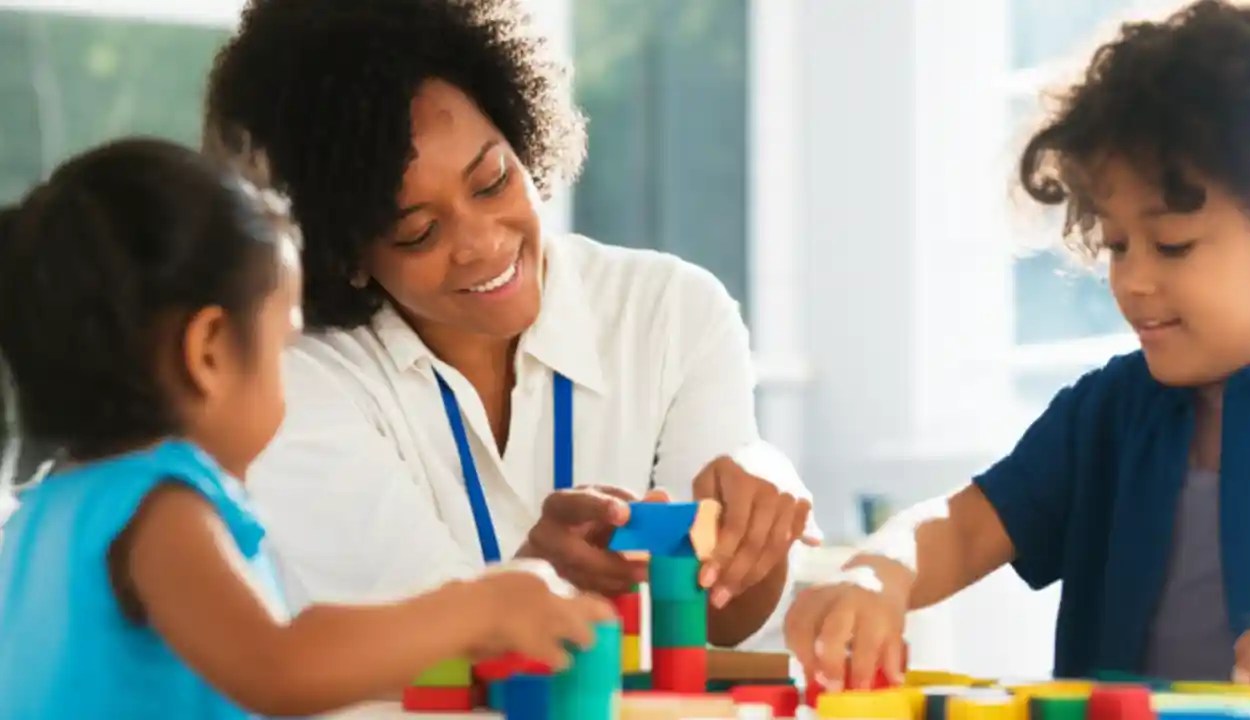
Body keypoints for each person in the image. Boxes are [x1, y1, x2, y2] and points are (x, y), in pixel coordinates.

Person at [202, 0, 819, 648]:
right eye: (418, 232)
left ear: (524, 138)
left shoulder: (671, 312)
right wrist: (534, 575)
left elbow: (714, 619)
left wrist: (758, 529)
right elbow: (420, 643)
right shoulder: (300, 384)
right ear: (346, 254)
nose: (482, 243)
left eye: (493, 181)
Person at [0, 138, 614, 718]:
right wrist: (482, 606)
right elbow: (278, 664)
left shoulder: (43, 515)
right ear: (210, 351)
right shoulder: (161, 509)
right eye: (281, 349)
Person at [785, 0, 1250, 690]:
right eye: (1115, 244)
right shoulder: (1104, 414)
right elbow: (961, 527)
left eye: (1172, 245)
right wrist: (880, 570)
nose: (1133, 279)